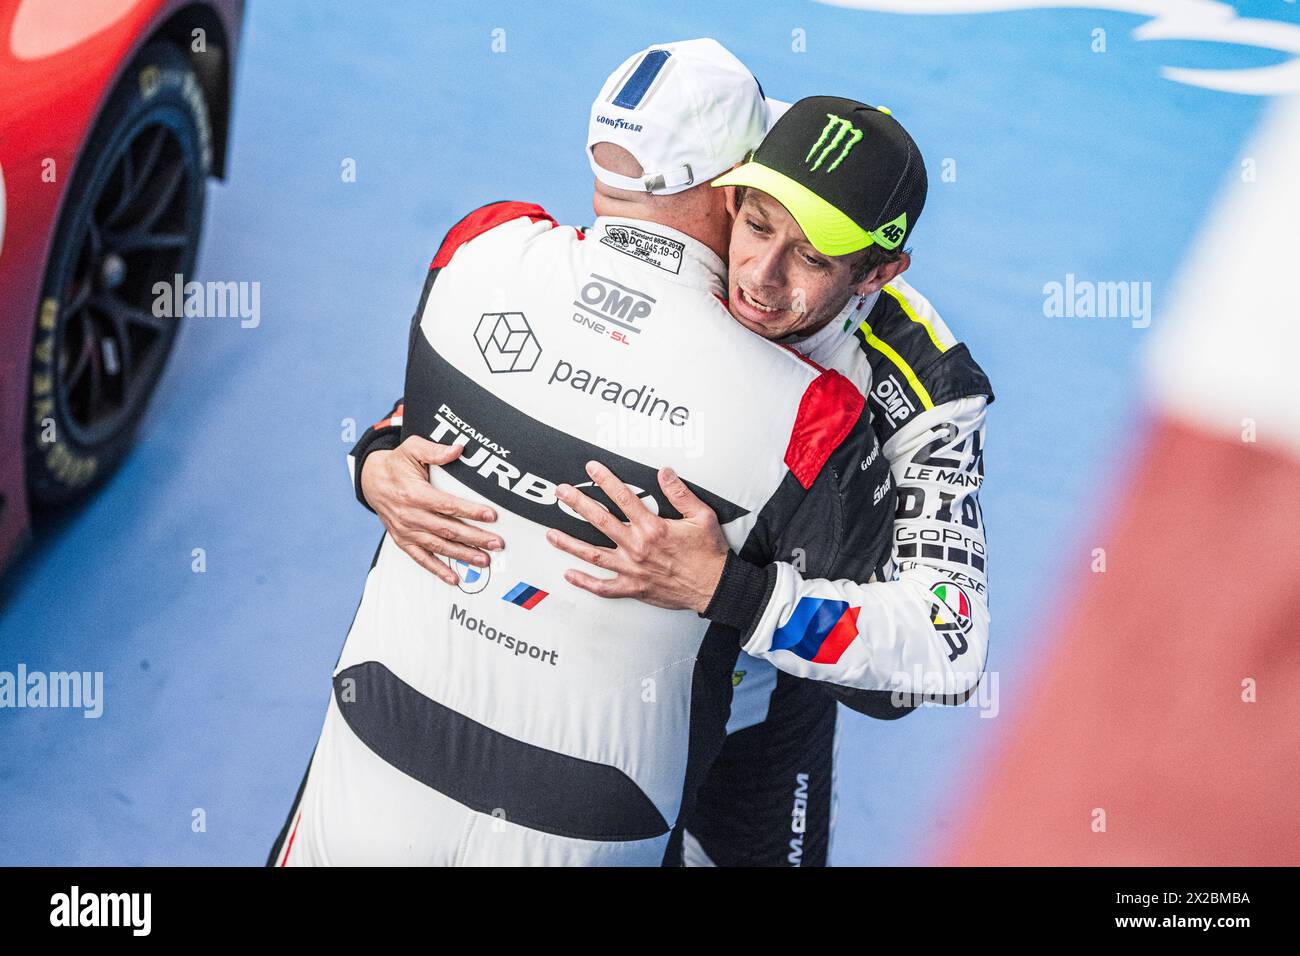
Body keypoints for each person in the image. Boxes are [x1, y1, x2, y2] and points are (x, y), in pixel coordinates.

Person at [269, 40, 898, 866]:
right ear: (731, 187)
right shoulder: (815, 411)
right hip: (606, 824)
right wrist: (728, 589)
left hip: (366, 762)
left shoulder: (481, 248)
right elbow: (895, 678)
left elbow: (435, 415)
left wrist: (375, 454)